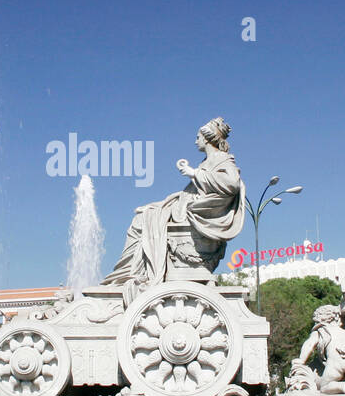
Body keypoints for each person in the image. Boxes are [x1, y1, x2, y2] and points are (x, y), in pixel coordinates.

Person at [103, 117, 246, 292]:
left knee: (143, 220)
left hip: (199, 211)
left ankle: (132, 272)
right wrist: (163, 202)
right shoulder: (206, 162)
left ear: (207, 139)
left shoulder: (222, 158)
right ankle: (129, 272)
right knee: (144, 216)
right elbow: (190, 192)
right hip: (188, 205)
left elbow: (232, 184)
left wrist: (194, 173)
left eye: (198, 137)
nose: (196, 141)